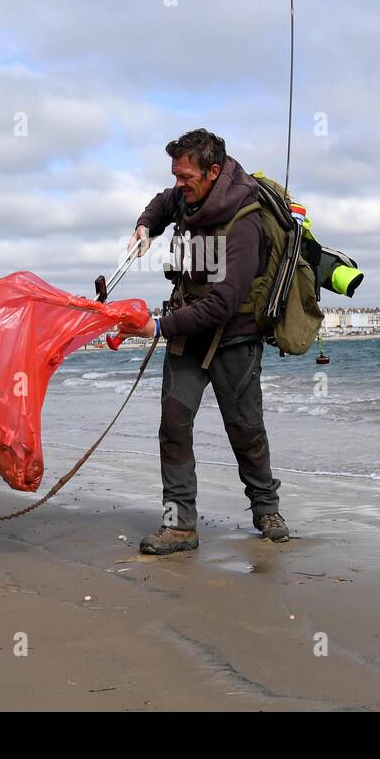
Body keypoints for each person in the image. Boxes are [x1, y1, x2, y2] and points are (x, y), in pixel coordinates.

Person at [128, 128, 289, 553]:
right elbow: (163, 203)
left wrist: (159, 328)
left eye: (186, 177)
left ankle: (266, 508)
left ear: (213, 171)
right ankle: (179, 526)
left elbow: (221, 305)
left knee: (246, 430)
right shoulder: (184, 194)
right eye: (175, 176)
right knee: (173, 427)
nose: (178, 186)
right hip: (188, 335)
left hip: (234, 338)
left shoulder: (245, 222)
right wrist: (146, 227)